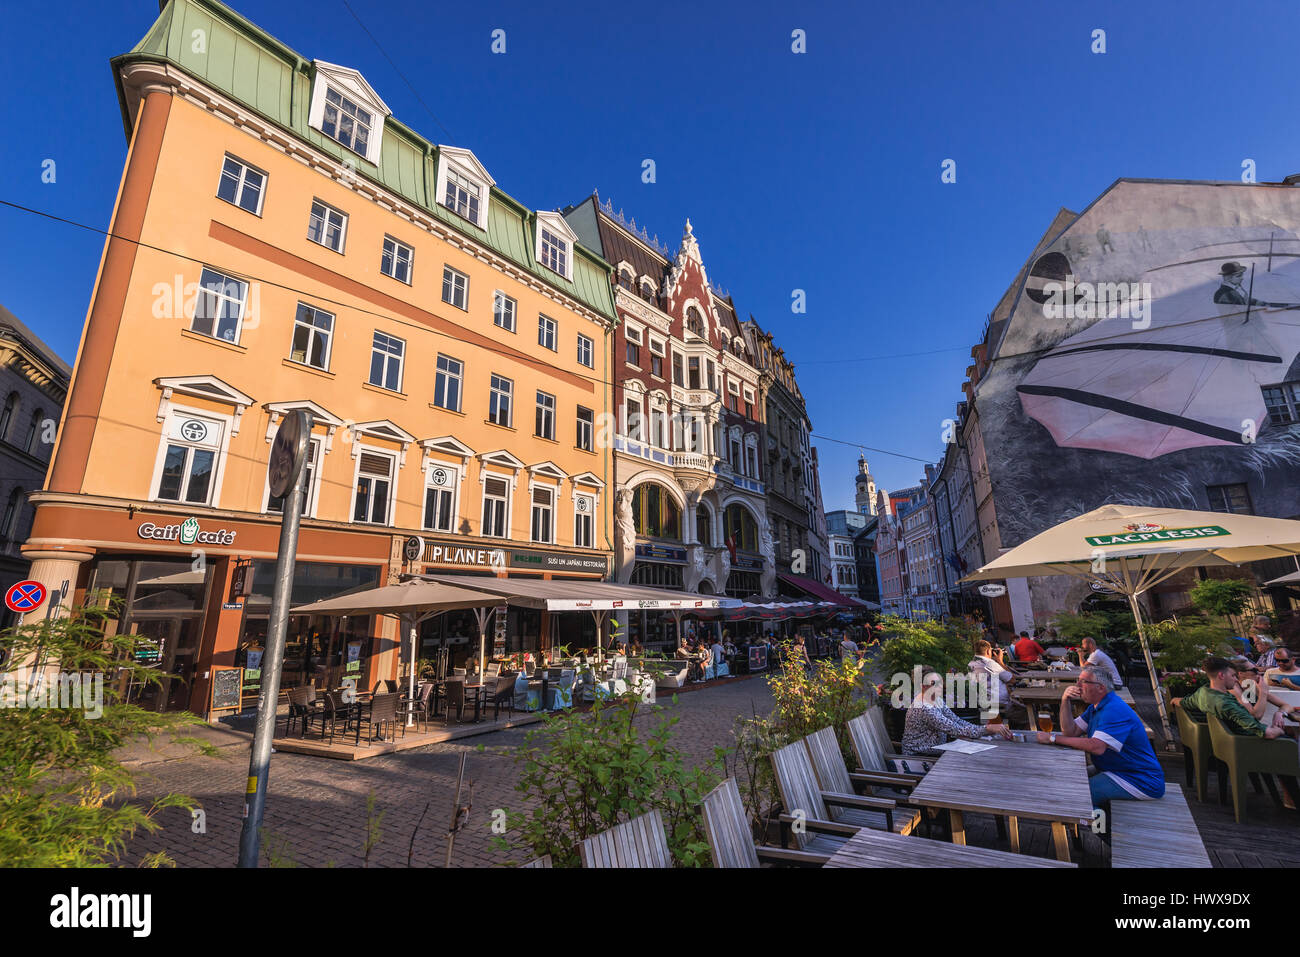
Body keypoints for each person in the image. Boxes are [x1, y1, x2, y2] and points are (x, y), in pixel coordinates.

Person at [1037, 665, 1165, 805]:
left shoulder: (1114, 709)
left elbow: (1097, 747)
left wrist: (1053, 738)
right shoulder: (1096, 706)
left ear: (1101, 688)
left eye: (1083, 682)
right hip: (1114, 769)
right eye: (1077, 680)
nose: (1077, 685)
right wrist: (1065, 701)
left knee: (1077, 793)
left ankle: (1095, 824)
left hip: (1138, 779)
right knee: (1069, 778)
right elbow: (1070, 732)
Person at [903, 666, 1013, 753]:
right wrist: (987, 729)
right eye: (934, 683)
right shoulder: (924, 708)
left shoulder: (937, 700)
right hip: (920, 756)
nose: (940, 686)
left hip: (937, 751)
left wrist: (985, 729)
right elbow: (955, 729)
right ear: (923, 686)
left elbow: (957, 721)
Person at [1179, 657, 1291, 740]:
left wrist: (1280, 713)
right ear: (1241, 673)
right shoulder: (1232, 692)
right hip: (1248, 742)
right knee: (1291, 736)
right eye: (1254, 670)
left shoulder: (1249, 687)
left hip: (1252, 734)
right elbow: (1255, 715)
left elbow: (1287, 705)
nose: (1259, 673)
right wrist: (1264, 693)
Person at [969, 639, 1026, 725]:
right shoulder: (989, 663)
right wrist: (1000, 662)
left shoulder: (971, 664)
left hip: (984, 700)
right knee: (1028, 710)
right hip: (1001, 701)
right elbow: (1012, 679)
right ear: (988, 651)